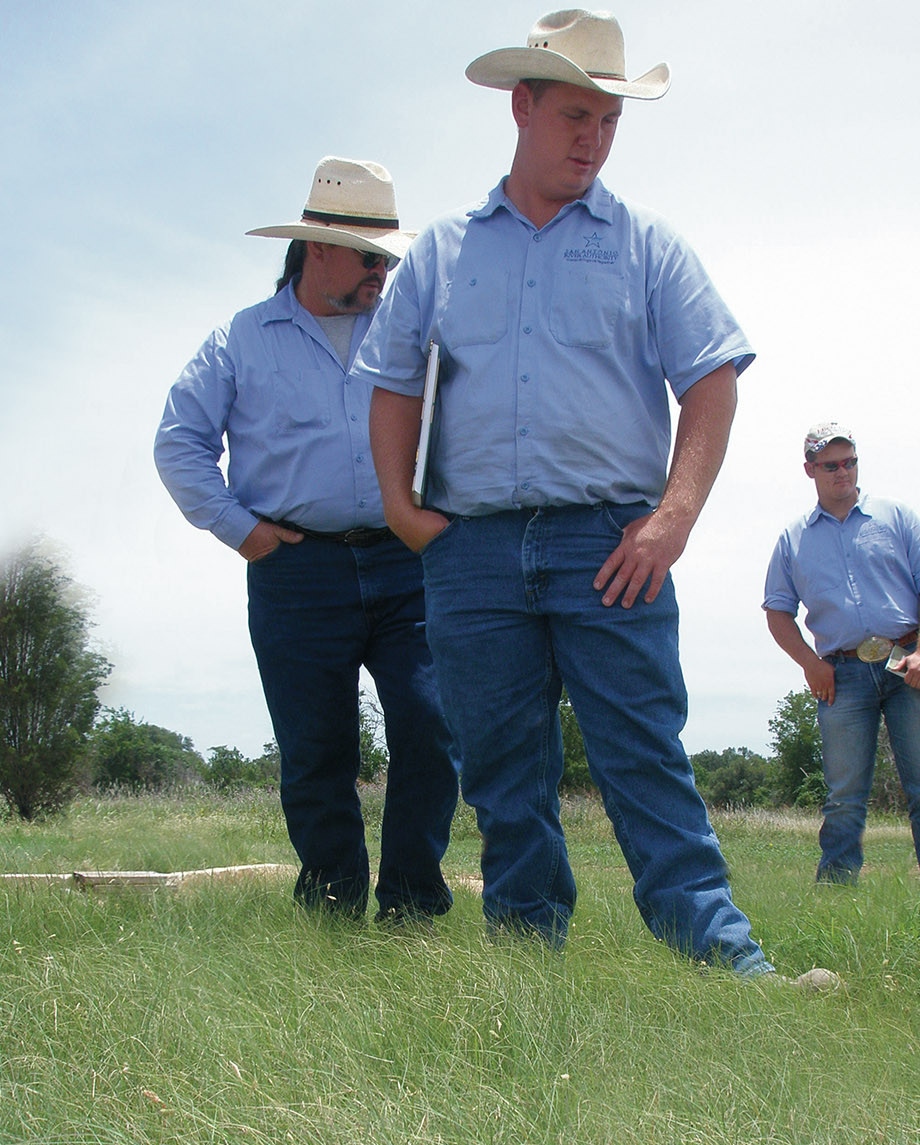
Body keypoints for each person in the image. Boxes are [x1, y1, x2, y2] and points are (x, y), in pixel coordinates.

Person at [354, 10, 778, 975]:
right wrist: (402, 512)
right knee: (503, 772)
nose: (593, 138)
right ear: (523, 105)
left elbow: (712, 378)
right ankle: (528, 959)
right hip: (472, 550)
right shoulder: (443, 250)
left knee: (641, 754)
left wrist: (672, 520)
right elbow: (390, 382)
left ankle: (722, 959)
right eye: (576, 115)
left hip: (610, 546)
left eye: (610, 122)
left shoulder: (647, 244)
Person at [154, 157, 458, 926]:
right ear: (316, 246)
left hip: (407, 562)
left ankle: (413, 905)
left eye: (389, 257)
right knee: (316, 750)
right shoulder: (241, 340)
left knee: (432, 728)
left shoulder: (411, 333)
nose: (382, 272)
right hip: (295, 569)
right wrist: (243, 532)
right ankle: (331, 903)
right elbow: (180, 444)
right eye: (370, 256)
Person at [763, 422, 920, 883]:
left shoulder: (897, 518)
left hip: (906, 661)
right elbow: (777, 612)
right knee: (845, 794)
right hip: (842, 674)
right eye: (830, 465)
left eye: (849, 462)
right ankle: (837, 891)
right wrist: (811, 664)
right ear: (810, 469)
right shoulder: (793, 539)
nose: (842, 472)